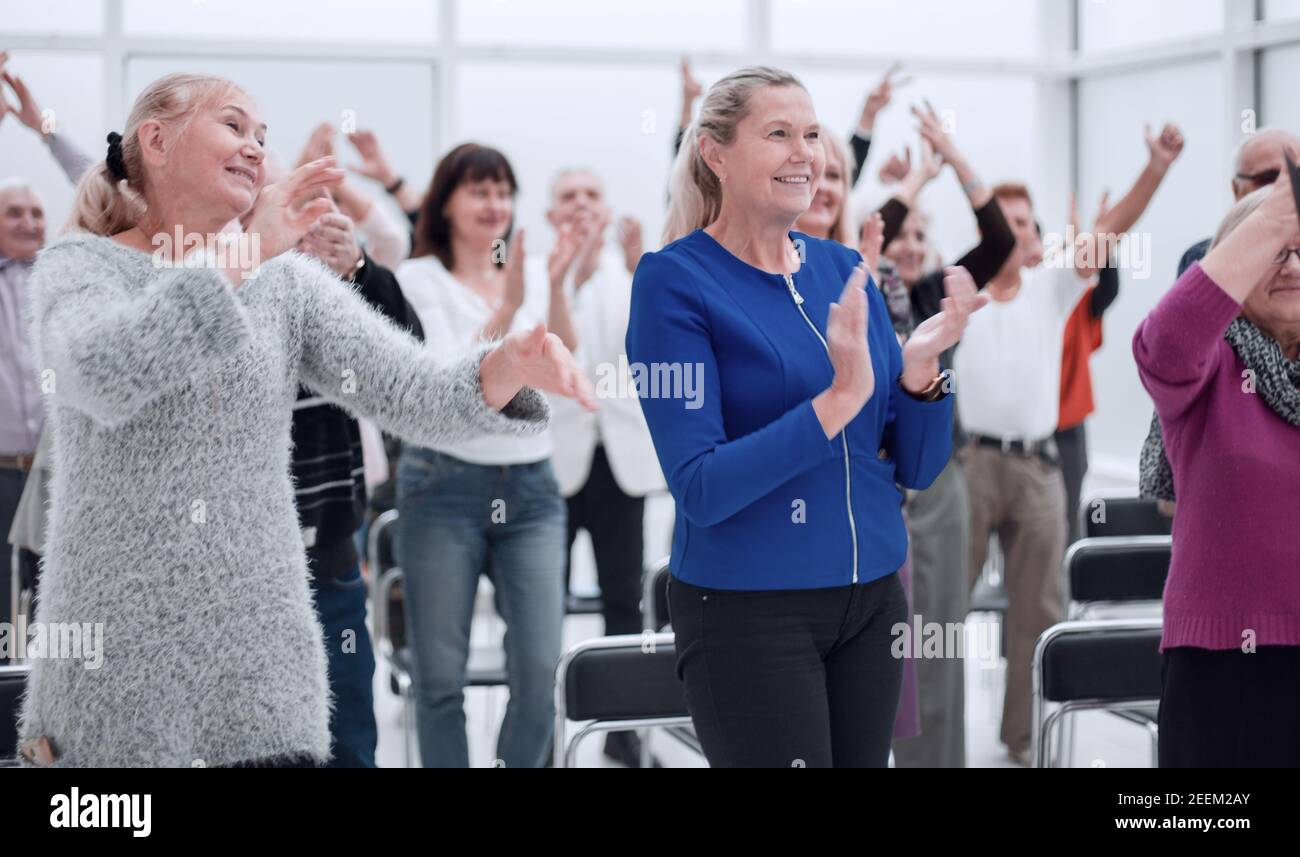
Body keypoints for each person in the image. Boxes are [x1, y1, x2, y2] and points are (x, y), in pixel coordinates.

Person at [17, 72, 593, 768]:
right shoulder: (81, 265)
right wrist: (238, 255)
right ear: (156, 139)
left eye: (263, 136)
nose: (256, 148)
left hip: (263, 668)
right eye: (234, 126)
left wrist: (505, 367)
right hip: (115, 670)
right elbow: (105, 374)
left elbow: (413, 391)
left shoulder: (284, 284)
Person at [629, 66, 987, 768]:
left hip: (873, 599)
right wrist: (834, 404)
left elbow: (913, 465)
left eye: (813, 135)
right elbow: (700, 485)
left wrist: (919, 376)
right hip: (751, 611)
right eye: (779, 134)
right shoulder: (672, 281)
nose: (807, 154)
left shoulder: (840, 266)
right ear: (714, 152)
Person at [954, 122, 1184, 766]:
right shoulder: (961, 290)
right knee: (938, 612)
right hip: (970, 465)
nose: (1020, 232)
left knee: (1036, 611)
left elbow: (1106, 237)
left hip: (1038, 468)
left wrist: (1156, 170)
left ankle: (1023, 742)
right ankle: (927, 746)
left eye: (1028, 223)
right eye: (1007, 222)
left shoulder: (1052, 289)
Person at [394, 142, 580, 768]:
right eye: (478, 191)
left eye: (503, 191)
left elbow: (564, 360)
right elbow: (449, 380)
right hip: (442, 485)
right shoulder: (417, 279)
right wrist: (508, 302)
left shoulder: (521, 268)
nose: (494, 204)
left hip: (531, 487)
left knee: (539, 672)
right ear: (444, 202)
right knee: (440, 675)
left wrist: (549, 288)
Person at [1134, 163, 1300, 767]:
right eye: (1275, 252)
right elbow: (1163, 341)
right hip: (1223, 665)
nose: (1293, 267)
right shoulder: (1212, 363)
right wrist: (1278, 209)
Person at [540, 167, 668, 767]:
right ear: (550, 212)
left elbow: (657, 350)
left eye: (593, 194)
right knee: (542, 606)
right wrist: (563, 278)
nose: (583, 205)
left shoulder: (632, 275)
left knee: (625, 601)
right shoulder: (537, 272)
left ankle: (626, 736)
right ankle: (540, 736)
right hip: (553, 465)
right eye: (570, 196)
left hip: (620, 462)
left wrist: (647, 266)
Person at [1141, 127, 1300, 510]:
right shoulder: (1206, 262)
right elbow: (1173, 344)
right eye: (1269, 179)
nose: (1284, 191)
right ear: (1236, 187)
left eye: (1291, 178)